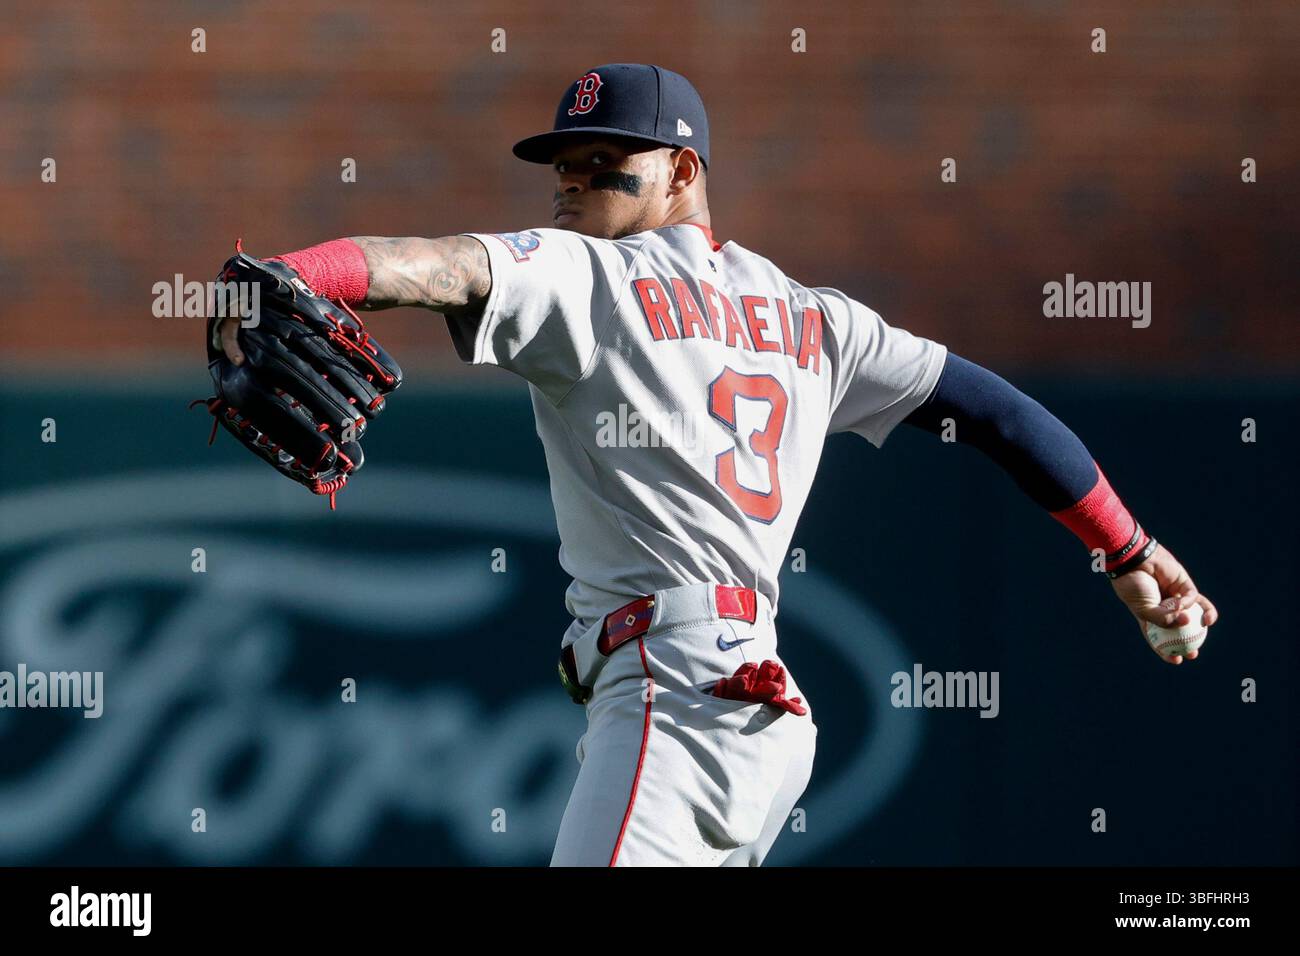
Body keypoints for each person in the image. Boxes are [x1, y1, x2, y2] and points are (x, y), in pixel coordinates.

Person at [214, 63, 1218, 866]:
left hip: (673, 687)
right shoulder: (817, 319)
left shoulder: (585, 274)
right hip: (758, 713)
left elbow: (432, 266)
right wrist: (1127, 546)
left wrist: (300, 275)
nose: (571, 182)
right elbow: (995, 412)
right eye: (562, 164)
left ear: (683, 173)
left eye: (604, 160)